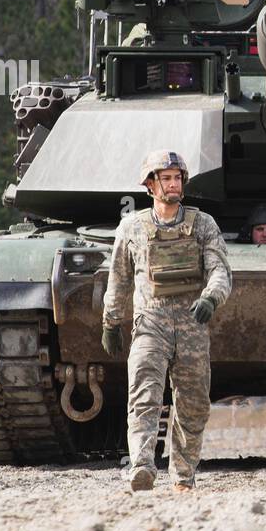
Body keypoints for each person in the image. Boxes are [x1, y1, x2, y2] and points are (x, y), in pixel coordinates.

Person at [101, 151, 233, 492]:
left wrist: (211, 297)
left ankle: (183, 476)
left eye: (178, 178)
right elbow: (118, 279)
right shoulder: (132, 228)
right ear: (150, 184)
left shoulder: (203, 224)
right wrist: (111, 322)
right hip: (151, 324)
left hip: (191, 326)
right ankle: (142, 466)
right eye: (166, 178)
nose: (173, 184)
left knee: (193, 404)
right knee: (144, 397)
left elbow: (220, 270)